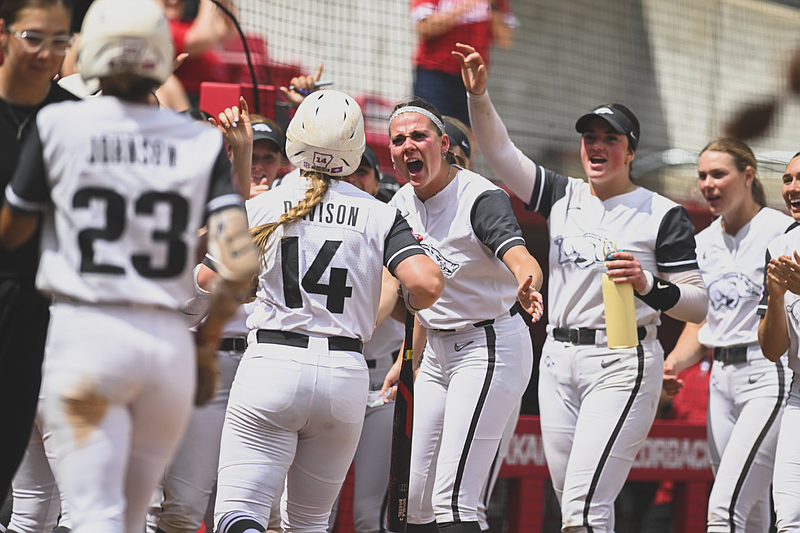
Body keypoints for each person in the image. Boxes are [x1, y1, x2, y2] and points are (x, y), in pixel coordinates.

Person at [0, 1, 260, 532]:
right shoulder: (200, 142)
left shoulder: (57, 125)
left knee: (93, 516)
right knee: (134, 517)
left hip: (84, 331)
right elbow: (238, 264)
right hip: (165, 342)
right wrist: (207, 342)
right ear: (162, 58)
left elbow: (12, 236)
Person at [455, 43, 708, 533]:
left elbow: (696, 306)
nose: (596, 146)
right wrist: (479, 97)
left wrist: (647, 284)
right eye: (590, 137)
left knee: (585, 507)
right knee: (575, 500)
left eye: (609, 139)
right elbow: (502, 155)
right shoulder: (563, 195)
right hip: (557, 359)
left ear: (631, 151)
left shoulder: (662, 213)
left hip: (622, 359)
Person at [213, 89, 444, 533]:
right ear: (354, 150)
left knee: (239, 513)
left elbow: (224, 281)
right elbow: (426, 283)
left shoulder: (263, 203)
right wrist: (411, 302)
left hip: (272, 365)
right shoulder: (380, 213)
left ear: (296, 140)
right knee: (310, 525)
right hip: (345, 376)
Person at [383, 98, 544, 533]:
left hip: (489, 346)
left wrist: (528, 279)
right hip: (435, 351)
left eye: (419, 136)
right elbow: (419, 297)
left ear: (444, 143)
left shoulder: (479, 196)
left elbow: (519, 254)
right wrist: (405, 359)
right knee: (413, 502)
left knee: (455, 500)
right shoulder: (399, 202)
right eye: (399, 139)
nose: (409, 145)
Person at [662, 138, 792, 533]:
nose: (708, 183)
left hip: (767, 374)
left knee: (724, 508)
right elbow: (701, 325)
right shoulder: (701, 244)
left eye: (719, 173)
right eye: (702, 175)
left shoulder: (782, 231)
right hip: (719, 381)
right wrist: (672, 365)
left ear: (748, 176)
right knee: (749, 514)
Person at [0, 0, 78, 498]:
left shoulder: (77, 122)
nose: (46, 53)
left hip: (36, 314)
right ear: (3, 33)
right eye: (33, 37)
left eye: (60, 41)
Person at [325, 144, 406, 533]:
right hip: (332, 375)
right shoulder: (318, 223)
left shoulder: (387, 224)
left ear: (376, 180)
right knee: (313, 513)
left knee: (370, 517)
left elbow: (389, 300)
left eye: (364, 172)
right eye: (348, 172)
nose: (356, 180)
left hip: (379, 387)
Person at [757, 152, 800, 533]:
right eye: (787, 180)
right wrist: (776, 296)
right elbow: (772, 350)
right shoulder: (779, 247)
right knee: (789, 519)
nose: (793, 188)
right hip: (798, 395)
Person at [411, 0, 516, 126]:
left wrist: (493, 6)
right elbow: (425, 29)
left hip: (472, 79)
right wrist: (467, 4)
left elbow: (505, 40)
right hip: (434, 73)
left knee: (466, 135)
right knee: (431, 128)